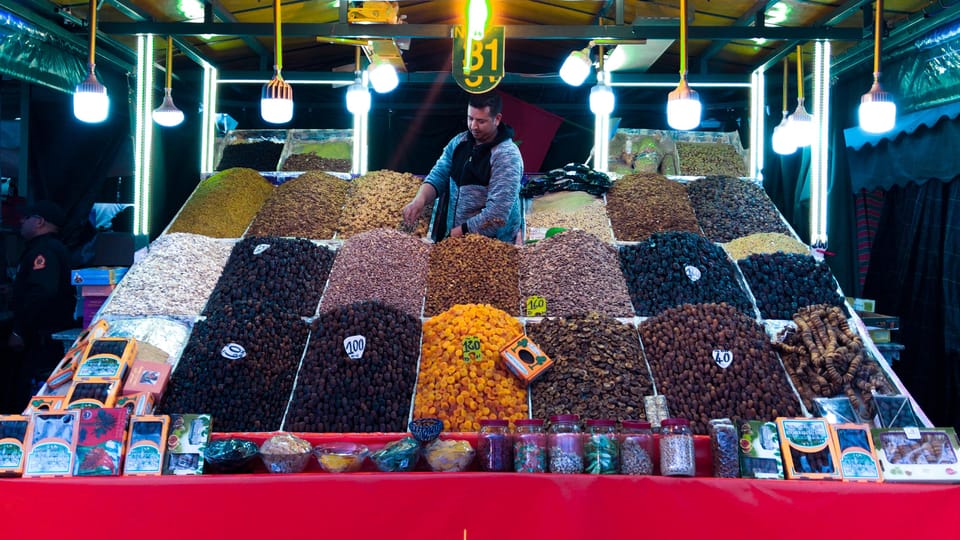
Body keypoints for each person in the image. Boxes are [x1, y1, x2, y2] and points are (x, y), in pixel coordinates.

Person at [402, 92, 523, 243]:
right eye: (470, 118)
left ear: (497, 119)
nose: (473, 126)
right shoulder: (459, 142)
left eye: (481, 121)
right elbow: (439, 175)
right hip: (459, 241)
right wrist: (420, 200)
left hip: (492, 244)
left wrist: (457, 233)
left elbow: (497, 214)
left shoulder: (506, 156)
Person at [1, 200, 76, 413]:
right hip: (43, 335)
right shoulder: (48, 248)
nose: (21, 222)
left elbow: (42, 293)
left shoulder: (44, 251)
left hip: (41, 337)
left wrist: (19, 330)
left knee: (29, 388)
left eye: (26, 218)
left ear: (40, 222)